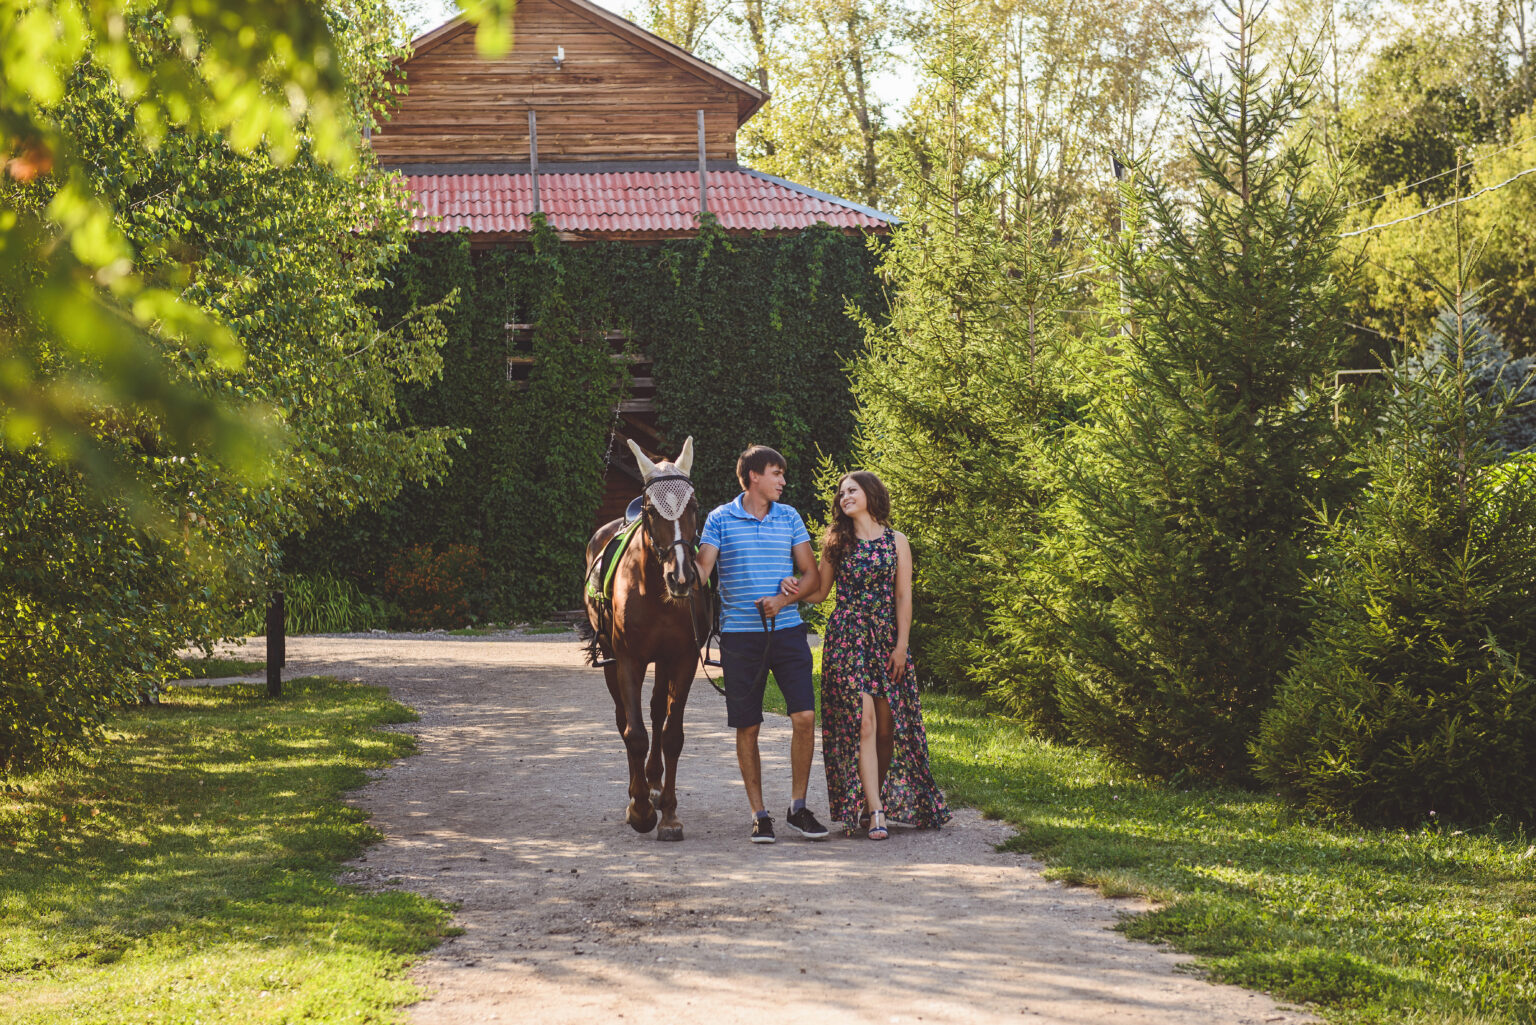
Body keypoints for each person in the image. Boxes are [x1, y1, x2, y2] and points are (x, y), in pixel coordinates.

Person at [783, 471, 949, 839]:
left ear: (871, 494)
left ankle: (871, 798)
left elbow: (904, 596)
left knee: (887, 729)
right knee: (864, 723)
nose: (844, 497)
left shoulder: (896, 541)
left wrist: (902, 645)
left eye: (851, 490)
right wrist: (791, 590)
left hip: (887, 638)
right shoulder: (837, 542)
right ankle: (875, 811)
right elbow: (820, 592)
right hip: (847, 639)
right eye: (841, 493)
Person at [695, 445, 831, 844]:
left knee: (805, 717)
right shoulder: (720, 518)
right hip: (739, 638)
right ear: (754, 476)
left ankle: (798, 807)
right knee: (748, 725)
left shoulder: (789, 517)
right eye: (777, 473)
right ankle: (759, 814)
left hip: (788, 632)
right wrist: (678, 565)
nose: (783, 481)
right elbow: (701, 572)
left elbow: (811, 578)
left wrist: (784, 599)